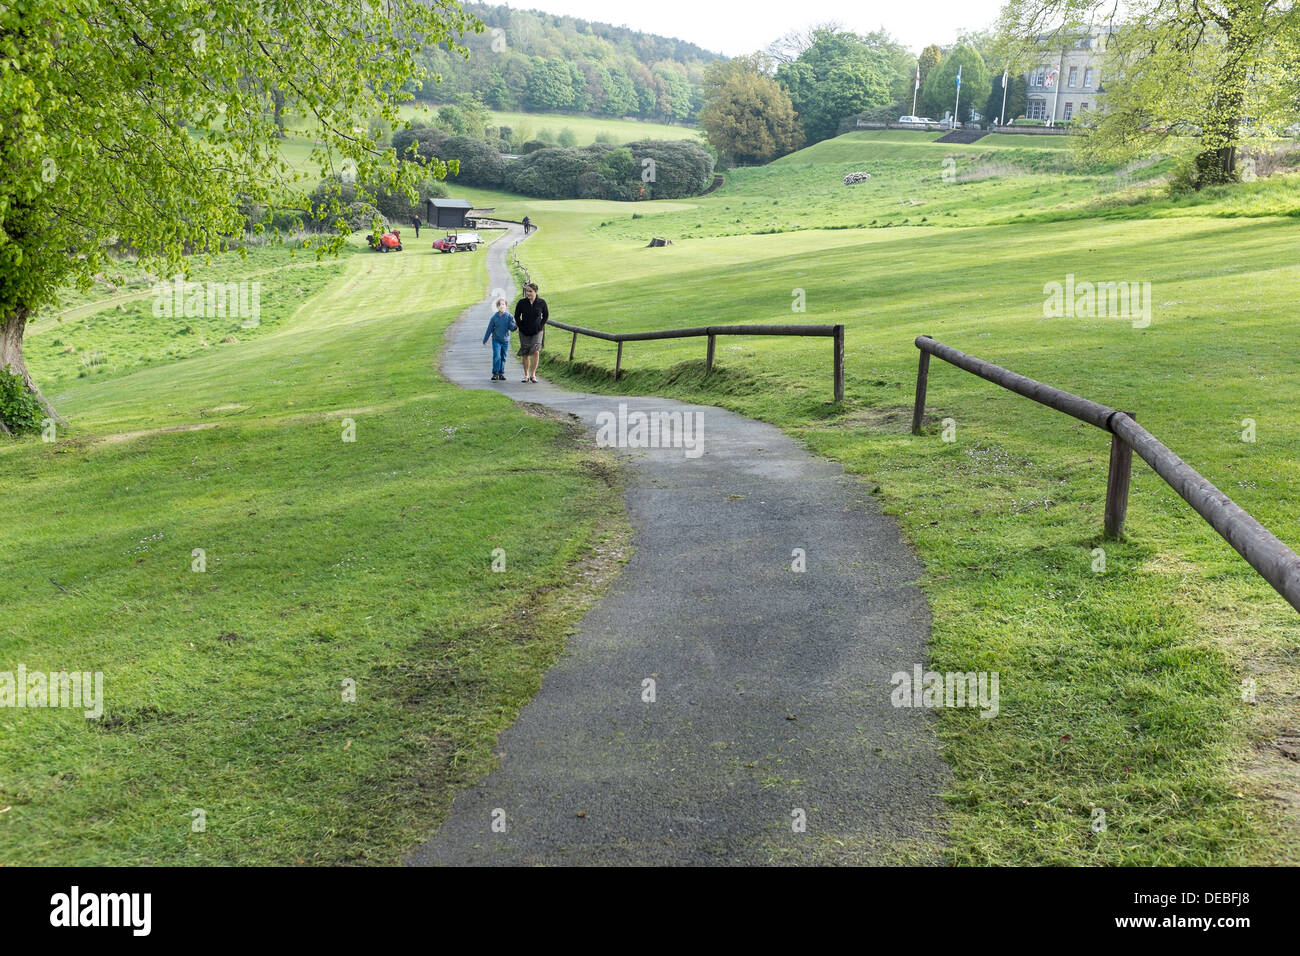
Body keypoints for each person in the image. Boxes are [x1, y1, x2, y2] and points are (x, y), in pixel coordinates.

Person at [513, 282, 548, 383]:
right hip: (524, 331)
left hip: (537, 331)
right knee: (526, 353)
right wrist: (520, 326)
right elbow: (516, 316)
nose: (528, 293)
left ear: (535, 292)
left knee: (536, 351)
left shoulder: (542, 302)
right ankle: (526, 375)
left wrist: (540, 326)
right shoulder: (521, 302)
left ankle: (533, 375)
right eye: (526, 291)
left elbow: (545, 316)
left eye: (530, 291)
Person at [482, 298, 516, 381]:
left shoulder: (509, 316)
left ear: (506, 306)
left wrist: (515, 326)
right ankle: (495, 373)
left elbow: (511, 328)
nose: (502, 306)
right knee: (497, 356)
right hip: (496, 340)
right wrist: (485, 339)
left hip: (505, 340)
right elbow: (489, 329)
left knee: (503, 357)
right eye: (500, 304)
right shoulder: (494, 317)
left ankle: (501, 373)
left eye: (503, 304)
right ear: (497, 307)